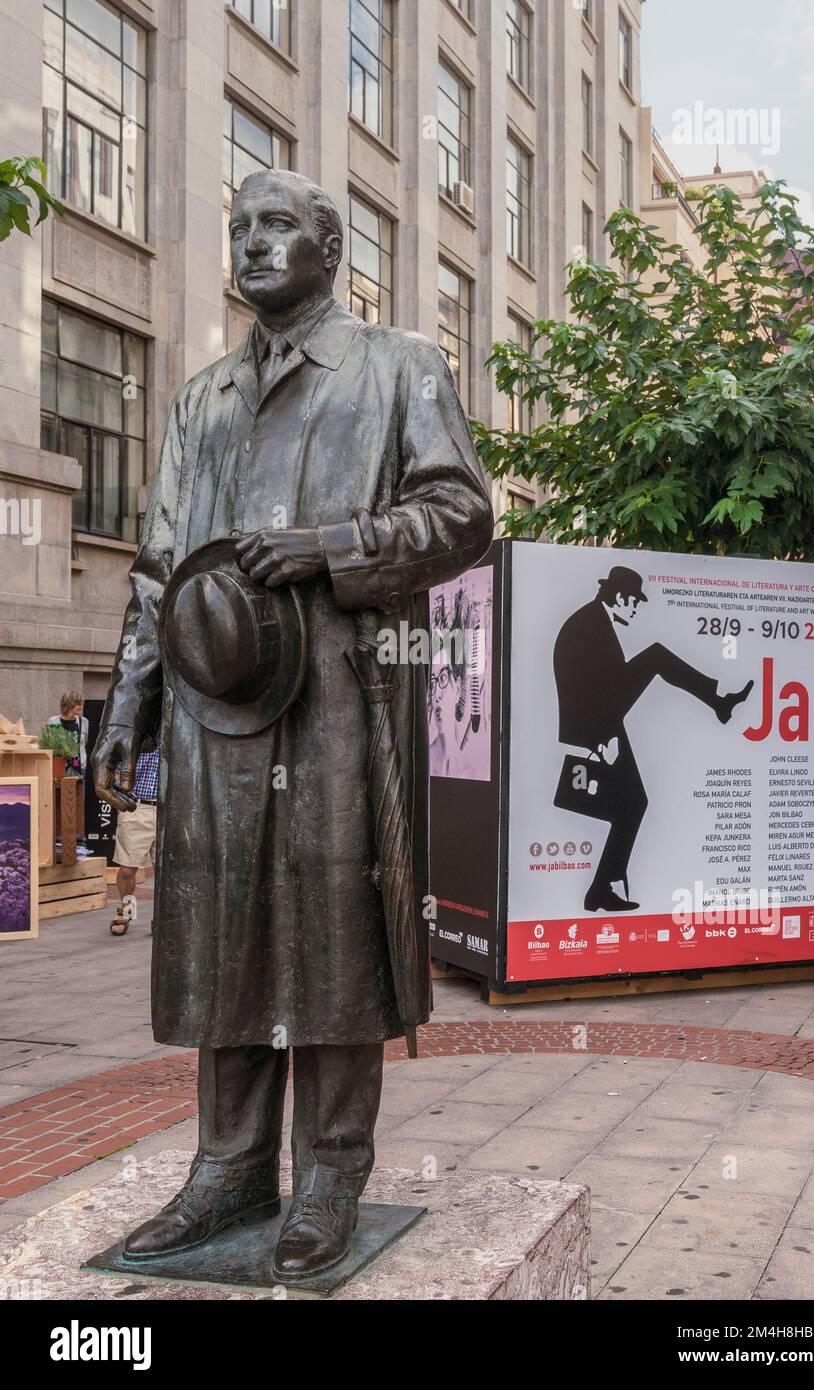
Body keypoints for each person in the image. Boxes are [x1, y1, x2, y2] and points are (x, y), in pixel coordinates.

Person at [91, 169, 493, 1280]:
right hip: (217, 709)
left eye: (277, 227)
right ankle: (226, 1166)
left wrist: (333, 544)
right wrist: (130, 702)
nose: (253, 244)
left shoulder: (398, 366)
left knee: (333, 933)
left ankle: (328, 1171)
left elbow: (462, 516)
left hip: (338, 698)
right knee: (223, 930)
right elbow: (159, 565)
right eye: (239, 228)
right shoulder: (201, 397)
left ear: (329, 249)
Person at [553, 566, 753, 913]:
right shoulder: (589, 625)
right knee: (632, 804)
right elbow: (578, 686)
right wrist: (599, 741)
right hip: (598, 723)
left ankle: (601, 890)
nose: (635, 609)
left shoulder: (594, 621)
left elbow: (599, 681)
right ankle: (600, 890)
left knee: (632, 804)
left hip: (604, 717)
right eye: (633, 602)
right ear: (618, 597)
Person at [108, 741, 159, 937]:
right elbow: (114, 769)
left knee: (166, 872)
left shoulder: (176, 735)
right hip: (137, 808)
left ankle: (162, 916)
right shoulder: (137, 738)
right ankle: (126, 911)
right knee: (127, 870)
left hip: (169, 809)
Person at [46, 692, 88, 774]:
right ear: (70, 705)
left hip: (80, 767)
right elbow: (48, 745)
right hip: (58, 766)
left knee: (78, 787)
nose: (82, 707)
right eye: (79, 704)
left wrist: (84, 764)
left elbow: (85, 744)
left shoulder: (84, 722)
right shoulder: (53, 722)